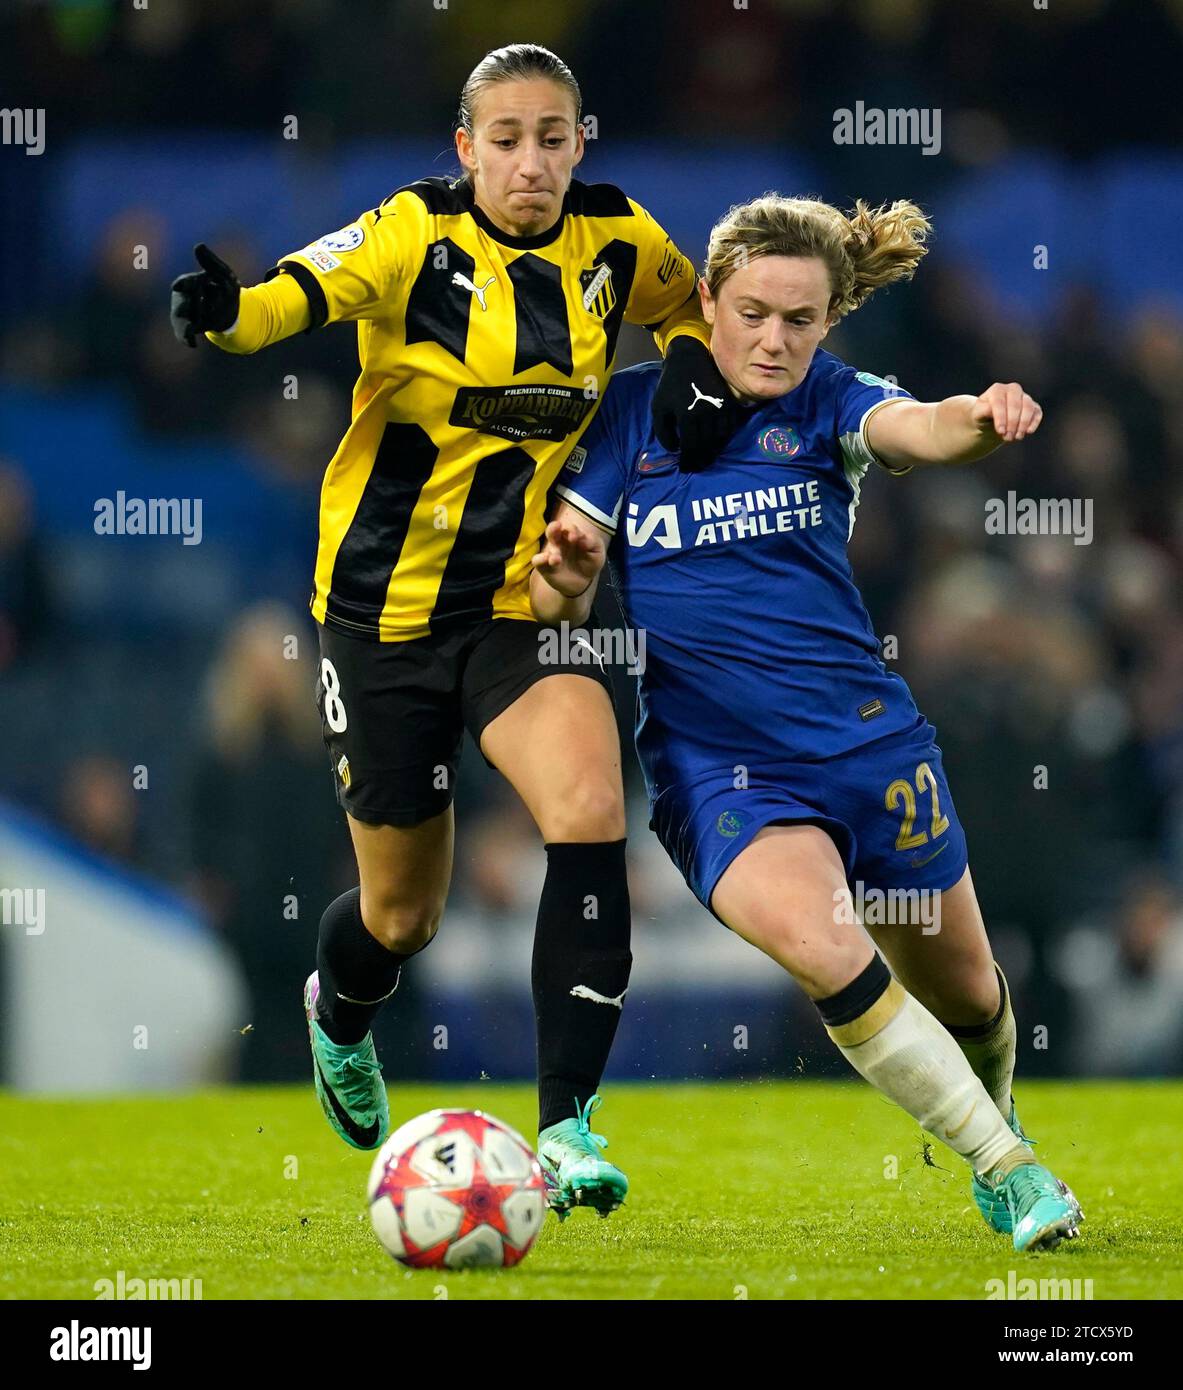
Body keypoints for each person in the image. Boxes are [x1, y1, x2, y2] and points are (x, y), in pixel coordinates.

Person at [167, 43, 742, 1218]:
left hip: (519, 607)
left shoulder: (617, 238)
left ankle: (568, 1124)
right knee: (402, 914)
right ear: (464, 146)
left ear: (581, 144)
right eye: (506, 138)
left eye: (552, 137)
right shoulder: (409, 235)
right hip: (378, 619)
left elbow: (692, 303)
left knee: (586, 812)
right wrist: (227, 318)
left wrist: (688, 363)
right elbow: (295, 291)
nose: (529, 161)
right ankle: (342, 1007)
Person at [531, 193, 1085, 1252]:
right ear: (705, 300)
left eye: (799, 318)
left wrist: (980, 413)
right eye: (751, 312)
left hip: (867, 744)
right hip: (718, 769)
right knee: (828, 948)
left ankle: (993, 1106)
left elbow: (916, 429)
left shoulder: (828, 399)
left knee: (967, 991)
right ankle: (1006, 1168)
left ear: (829, 320)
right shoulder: (629, 416)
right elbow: (558, 595)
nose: (773, 339)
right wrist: (565, 578)